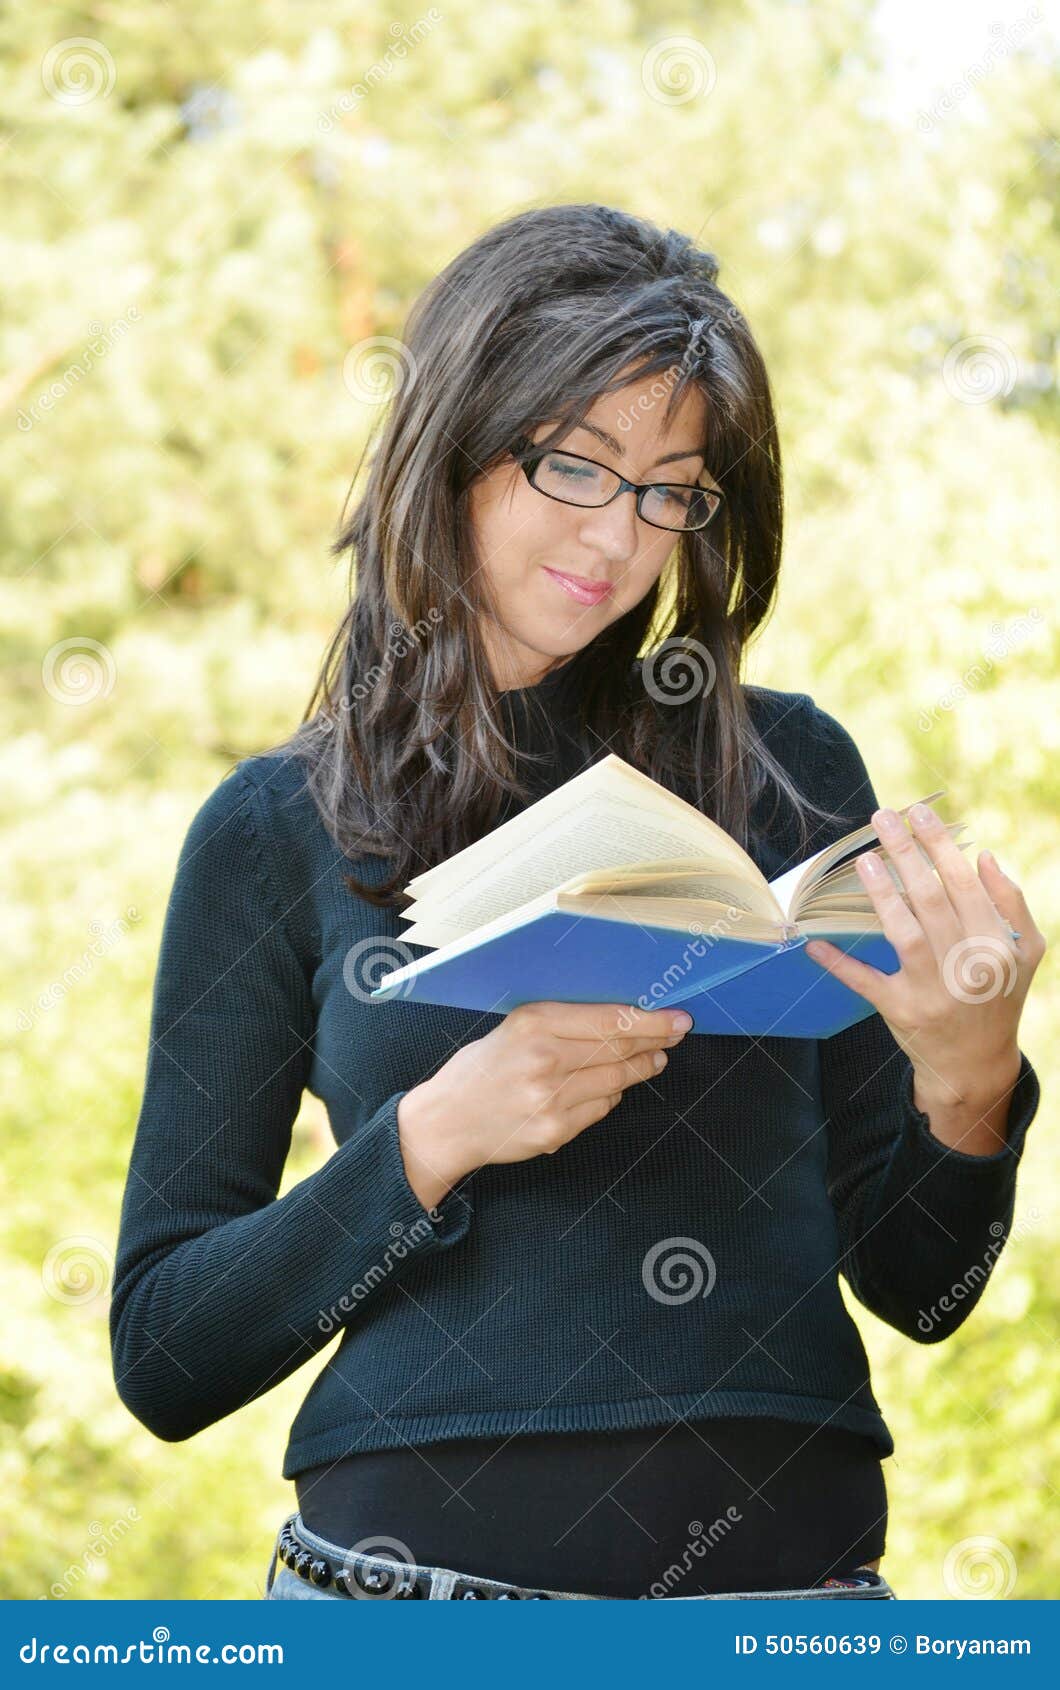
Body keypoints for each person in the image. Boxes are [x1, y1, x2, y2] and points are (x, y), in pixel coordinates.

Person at [109, 204, 1046, 1603]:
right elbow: (168, 1355)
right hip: (411, 1607)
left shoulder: (791, 771)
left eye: (672, 488)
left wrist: (973, 1081)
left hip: (787, 1607)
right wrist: (435, 1138)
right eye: (576, 466)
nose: (622, 536)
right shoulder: (275, 827)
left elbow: (925, 1290)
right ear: (458, 445)